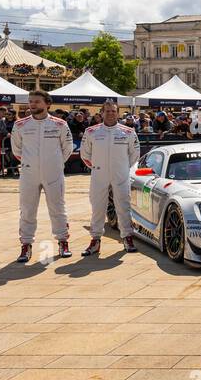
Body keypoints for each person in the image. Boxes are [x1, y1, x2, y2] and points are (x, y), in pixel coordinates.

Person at [11, 90, 74, 262]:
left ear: (47, 104)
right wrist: (28, 162)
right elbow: (17, 149)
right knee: (27, 210)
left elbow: (67, 148)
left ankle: (63, 241)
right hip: (29, 173)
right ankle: (25, 245)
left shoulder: (60, 124)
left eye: (37, 102)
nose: (33, 105)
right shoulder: (20, 125)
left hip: (53, 172)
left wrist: (56, 163)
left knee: (58, 208)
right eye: (31, 101)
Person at [79, 100, 140, 256]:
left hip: (121, 174)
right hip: (99, 174)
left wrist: (123, 167)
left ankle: (127, 237)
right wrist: (97, 166)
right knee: (97, 207)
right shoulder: (91, 132)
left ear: (118, 113)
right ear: (101, 113)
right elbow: (85, 154)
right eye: (107, 111)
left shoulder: (128, 132)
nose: (111, 114)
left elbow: (134, 155)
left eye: (113, 111)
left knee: (124, 207)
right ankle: (95, 240)